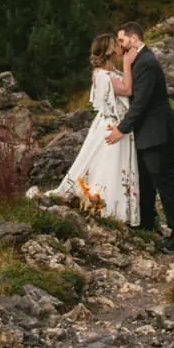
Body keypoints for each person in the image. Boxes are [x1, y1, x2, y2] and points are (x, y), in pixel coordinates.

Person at [37, 33, 141, 222]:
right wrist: (127, 63)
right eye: (115, 44)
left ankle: (116, 210)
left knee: (116, 168)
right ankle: (107, 210)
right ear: (109, 51)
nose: (119, 46)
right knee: (108, 166)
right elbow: (126, 90)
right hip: (112, 126)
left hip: (118, 125)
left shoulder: (112, 72)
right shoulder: (102, 75)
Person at [106, 20, 174, 252]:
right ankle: (147, 224)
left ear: (133, 39)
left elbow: (140, 103)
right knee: (144, 181)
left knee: (165, 183)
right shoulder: (138, 61)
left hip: (158, 134)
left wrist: (121, 129)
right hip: (147, 134)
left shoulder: (147, 62)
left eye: (121, 40)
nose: (119, 45)